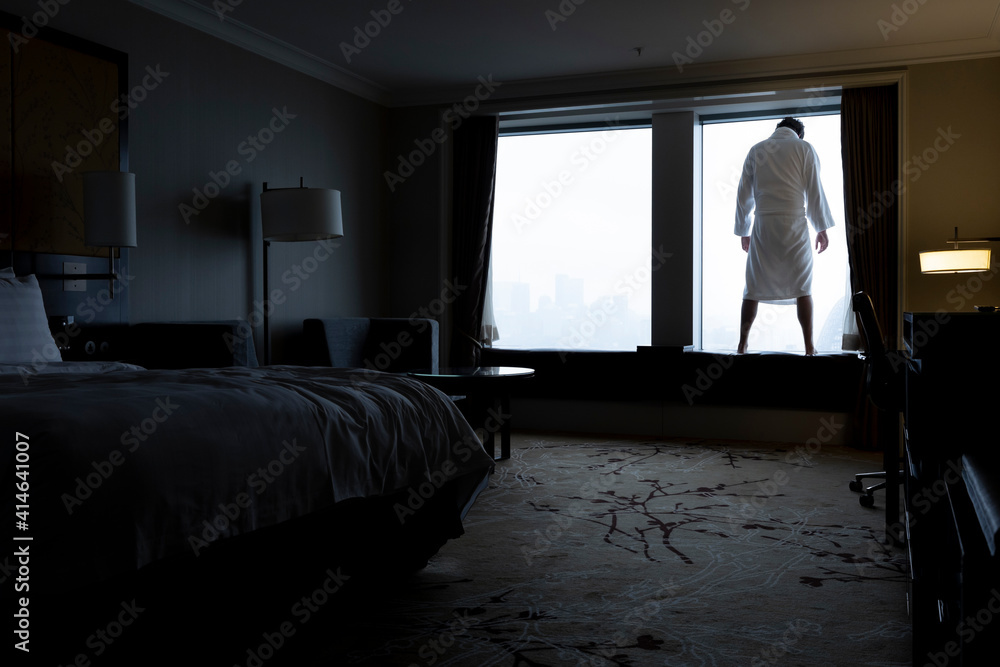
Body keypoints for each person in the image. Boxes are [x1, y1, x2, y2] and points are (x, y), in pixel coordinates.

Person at [734, 117, 835, 355]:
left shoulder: (757, 150)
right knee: (802, 286)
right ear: (799, 134)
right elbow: (814, 191)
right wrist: (821, 228)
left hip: (763, 226)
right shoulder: (804, 148)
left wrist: (744, 231)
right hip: (794, 225)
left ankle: (742, 344)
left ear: (778, 129)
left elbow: (743, 195)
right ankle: (809, 346)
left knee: (753, 286)